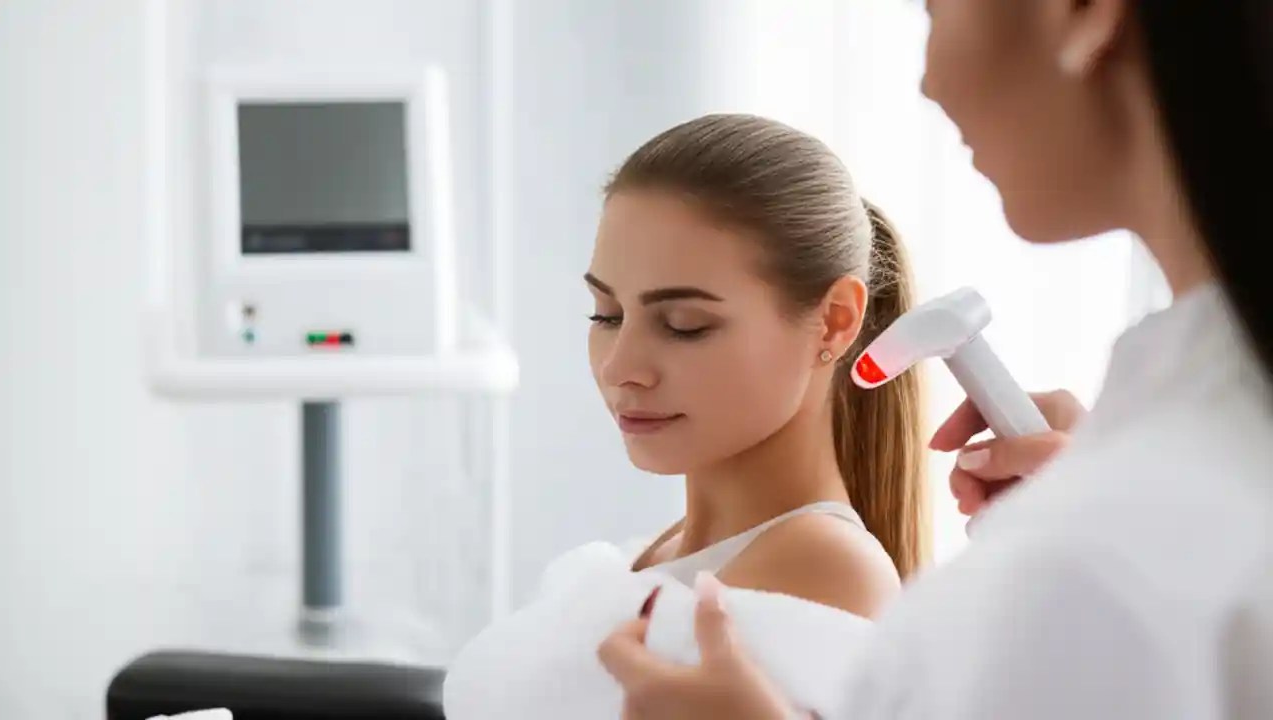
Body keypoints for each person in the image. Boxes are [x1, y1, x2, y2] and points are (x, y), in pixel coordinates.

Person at [597, 1, 1273, 718]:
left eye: (935, 7)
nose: (929, 80)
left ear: (1081, 12)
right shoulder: (1158, 506)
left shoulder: (1111, 555)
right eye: (603, 313)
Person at [442, 114, 940, 717]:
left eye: (685, 326)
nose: (621, 366)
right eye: (607, 314)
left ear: (834, 321)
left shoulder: (824, 567)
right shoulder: (659, 553)